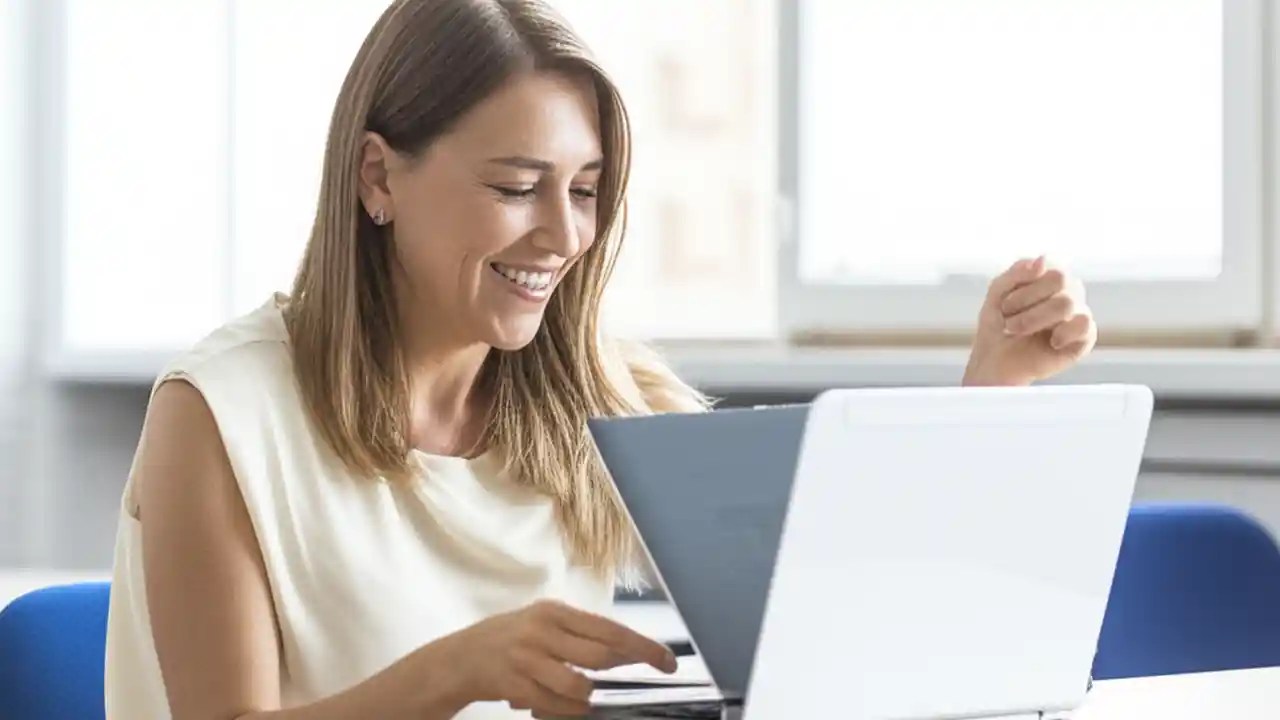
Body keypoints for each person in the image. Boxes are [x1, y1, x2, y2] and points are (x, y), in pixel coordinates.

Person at [102, 0, 1098, 718]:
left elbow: (844, 602)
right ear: (378, 178)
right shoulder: (221, 412)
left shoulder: (596, 396)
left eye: (582, 190)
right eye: (514, 185)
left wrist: (993, 386)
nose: (561, 235)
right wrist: (460, 670)